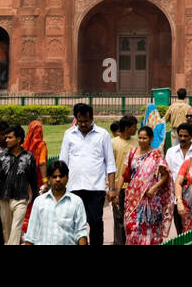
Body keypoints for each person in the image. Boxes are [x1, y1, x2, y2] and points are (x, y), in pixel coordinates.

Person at [58, 103, 118, 246]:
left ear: (92, 118)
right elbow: (63, 162)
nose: (83, 124)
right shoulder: (69, 135)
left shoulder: (102, 134)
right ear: (76, 119)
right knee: (75, 223)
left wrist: (112, 188)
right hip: (73, 187)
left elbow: (110, 163)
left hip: (95, 188)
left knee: (96, 221)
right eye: (80, 121)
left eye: (86, 121)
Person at [121, 125, 172, 245]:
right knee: (132, 227)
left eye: (144, 138)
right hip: (133, 198)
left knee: (149, 227)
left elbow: (165, 175)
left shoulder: (156, 154)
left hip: (151, 199)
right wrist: (116, 191)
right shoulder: (132, 153)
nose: (141, 140)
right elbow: (124, 174)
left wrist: (154, 188)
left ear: (151, 139)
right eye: (140, 138)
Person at [0, 124, 37, 245]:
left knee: (16, 228)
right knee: (7, 231)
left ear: (19, 139)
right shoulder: (2, 157)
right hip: (4, 199)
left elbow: (33, 179)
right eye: (6, 138)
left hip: (21, 198)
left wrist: (35, 198)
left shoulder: (29, 157)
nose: (6, 140)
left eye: (10, 137)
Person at [22, 160, 89, 246]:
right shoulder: (39, 202)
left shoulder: (76, 202)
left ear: (67, 178)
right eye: (54, 177)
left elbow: (81, 233)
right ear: (49, 179)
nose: (58, 179)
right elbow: (31, 234)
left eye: (61, 176)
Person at [110, 114, 138, 245]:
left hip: (135, 188)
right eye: (134, 126)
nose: (136, 129)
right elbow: (109, 167)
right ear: (127, 128)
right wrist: (111, 189)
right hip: (118, 187)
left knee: (135, 219)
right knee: (119, 219)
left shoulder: (137, 142)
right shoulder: (113, 143)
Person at [166, 123, 192, 232]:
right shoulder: (171, 152)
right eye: (180, 136)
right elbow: (167, 174)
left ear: (191, 136)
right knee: (180, 228)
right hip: (176, 197)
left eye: (185, 136)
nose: (182, 138)